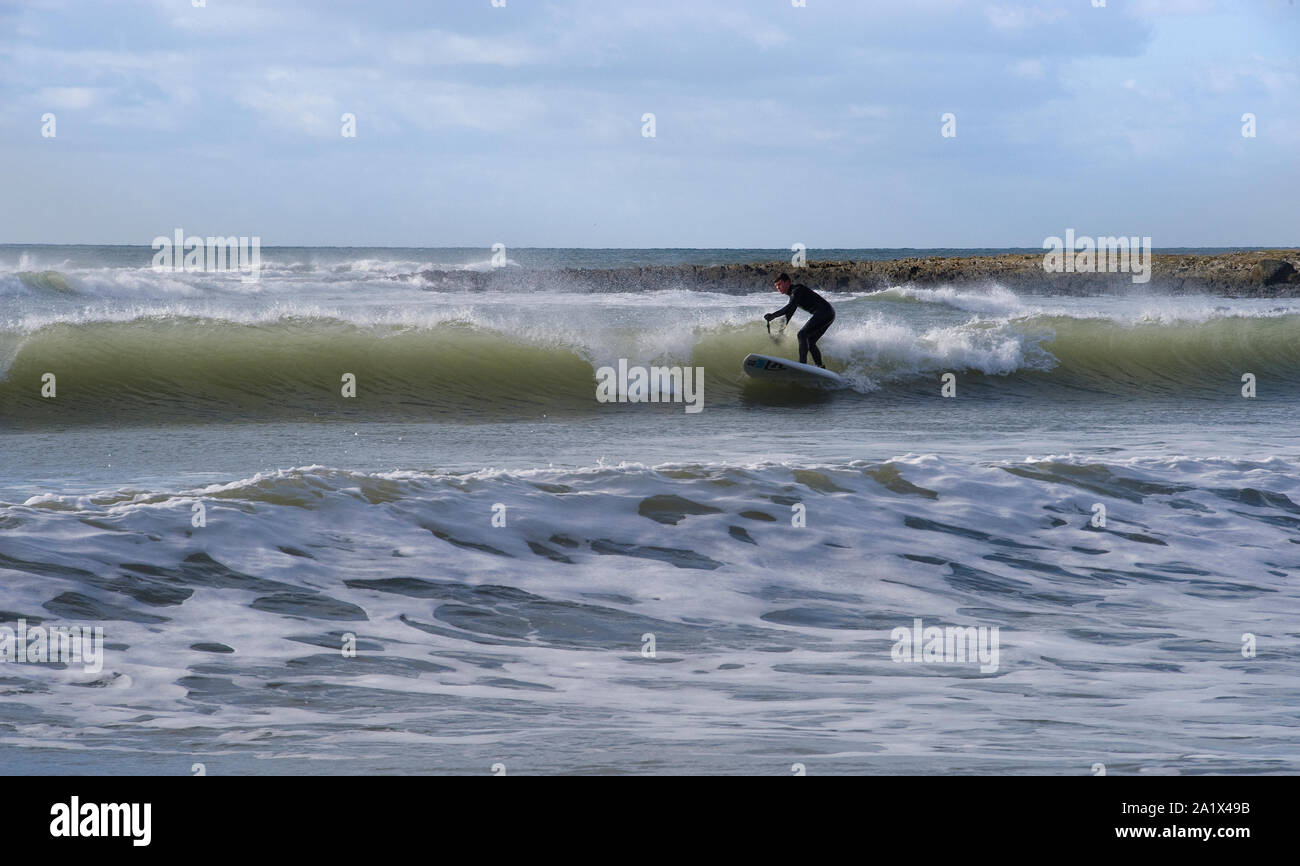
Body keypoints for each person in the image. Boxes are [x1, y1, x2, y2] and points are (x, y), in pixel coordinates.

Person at [764, 273, 835, 368]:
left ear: (788, 282)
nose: (778, 287)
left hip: (825, 312)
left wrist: (773, 315)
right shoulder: (793, 296)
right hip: (828, 314)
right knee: (810, 341)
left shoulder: (797, 289)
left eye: (780, 284)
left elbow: (789, 307)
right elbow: (788, 314)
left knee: (802, 334)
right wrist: (780, 331)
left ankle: (802, 364)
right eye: (776, 286)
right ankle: (820, 366)